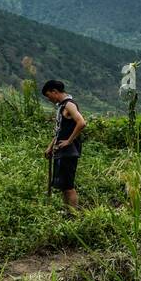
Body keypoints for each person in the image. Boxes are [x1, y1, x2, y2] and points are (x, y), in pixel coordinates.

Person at [42, 80, 85, 210]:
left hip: (69, 151)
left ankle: (73, 215)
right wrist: (50, 147)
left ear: (55, 92)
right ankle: (68, 211)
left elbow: (81, 123)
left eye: (49, 96)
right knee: (63, 185)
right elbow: (60, 130)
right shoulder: (62, 106)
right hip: (63, 151)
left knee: (68, 186)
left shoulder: (69, 105)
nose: (49, 99)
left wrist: (69, 141)